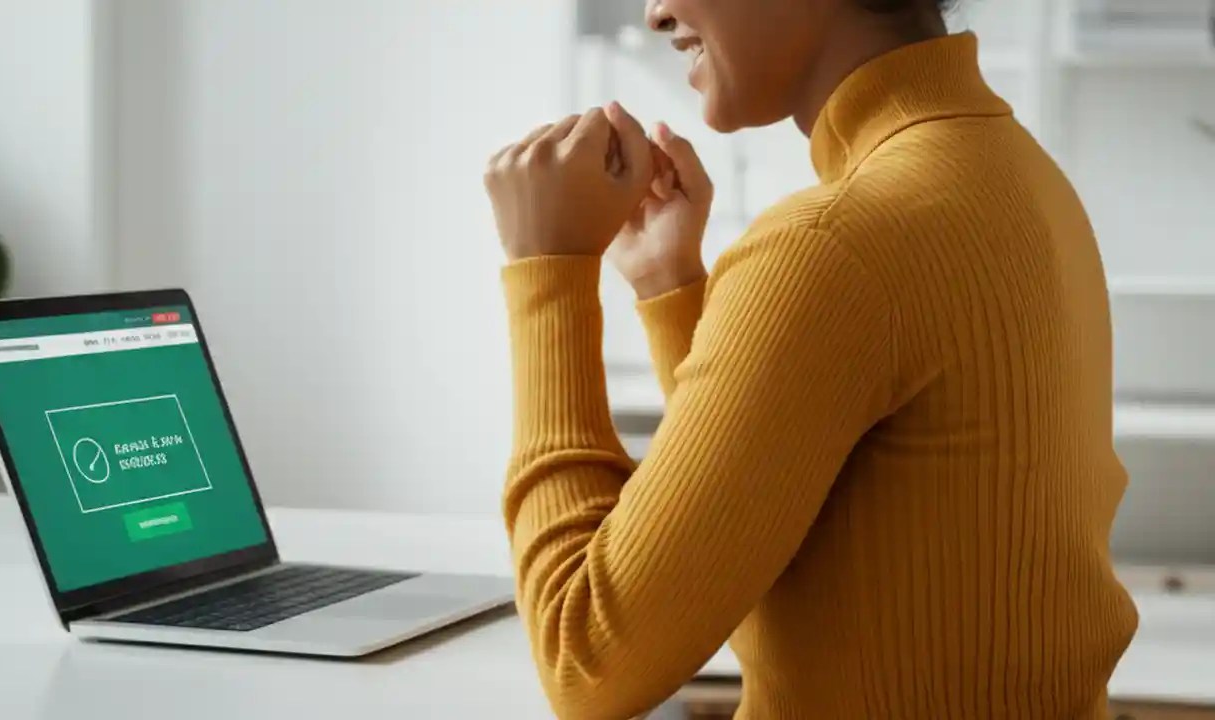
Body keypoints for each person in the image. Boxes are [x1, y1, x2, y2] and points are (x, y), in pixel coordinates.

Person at [482, 0, 1140, 717]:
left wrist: (549, 271)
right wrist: (669, 286)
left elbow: (586, 664)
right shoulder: (1011, 168)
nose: (655, 12)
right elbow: (772, 520)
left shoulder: (835, 241)